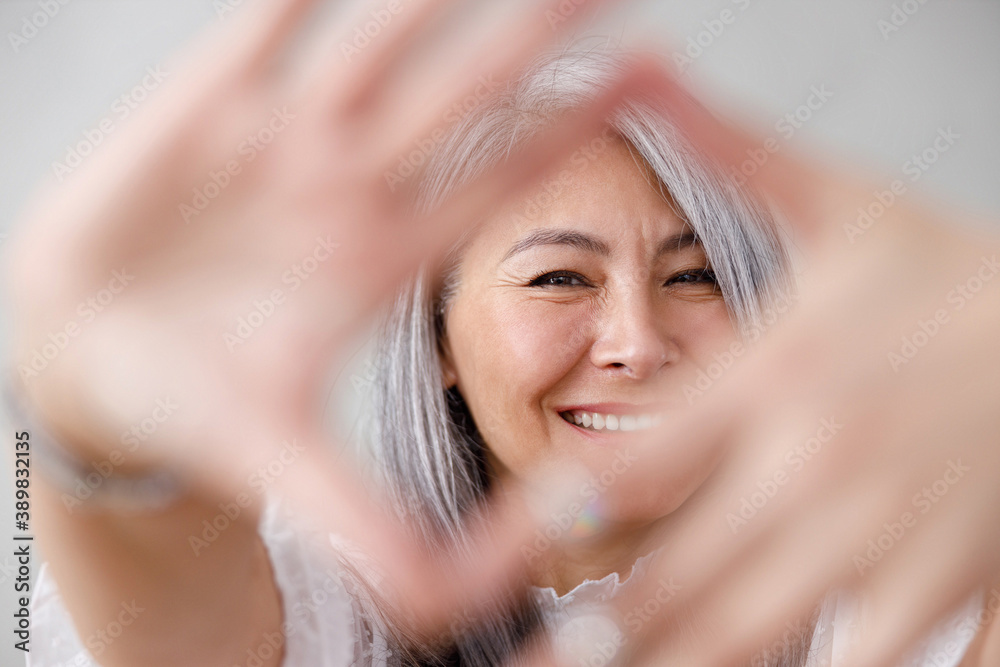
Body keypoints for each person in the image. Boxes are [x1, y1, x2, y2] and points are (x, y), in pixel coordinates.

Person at [4, 1, 999, 666]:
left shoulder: (885, 589)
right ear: (436, 341)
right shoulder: (345, 600)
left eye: (692, 275)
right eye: (560, 276)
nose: (637, 342)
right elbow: (171, 612)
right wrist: (95, 425)